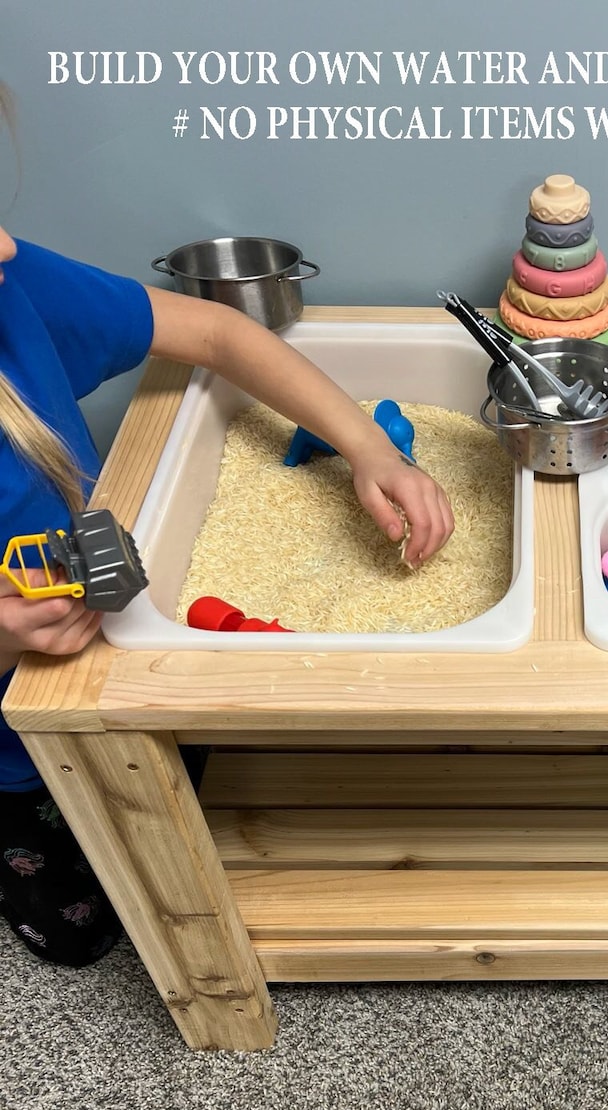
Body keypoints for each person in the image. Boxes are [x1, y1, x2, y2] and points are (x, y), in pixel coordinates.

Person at [0, 97, 454, 967]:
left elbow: (211, 327)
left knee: (216, 786)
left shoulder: (16, 291)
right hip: (16, 748)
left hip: (115, 644)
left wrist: (365, 445)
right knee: (86, 935)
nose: (9, 244)